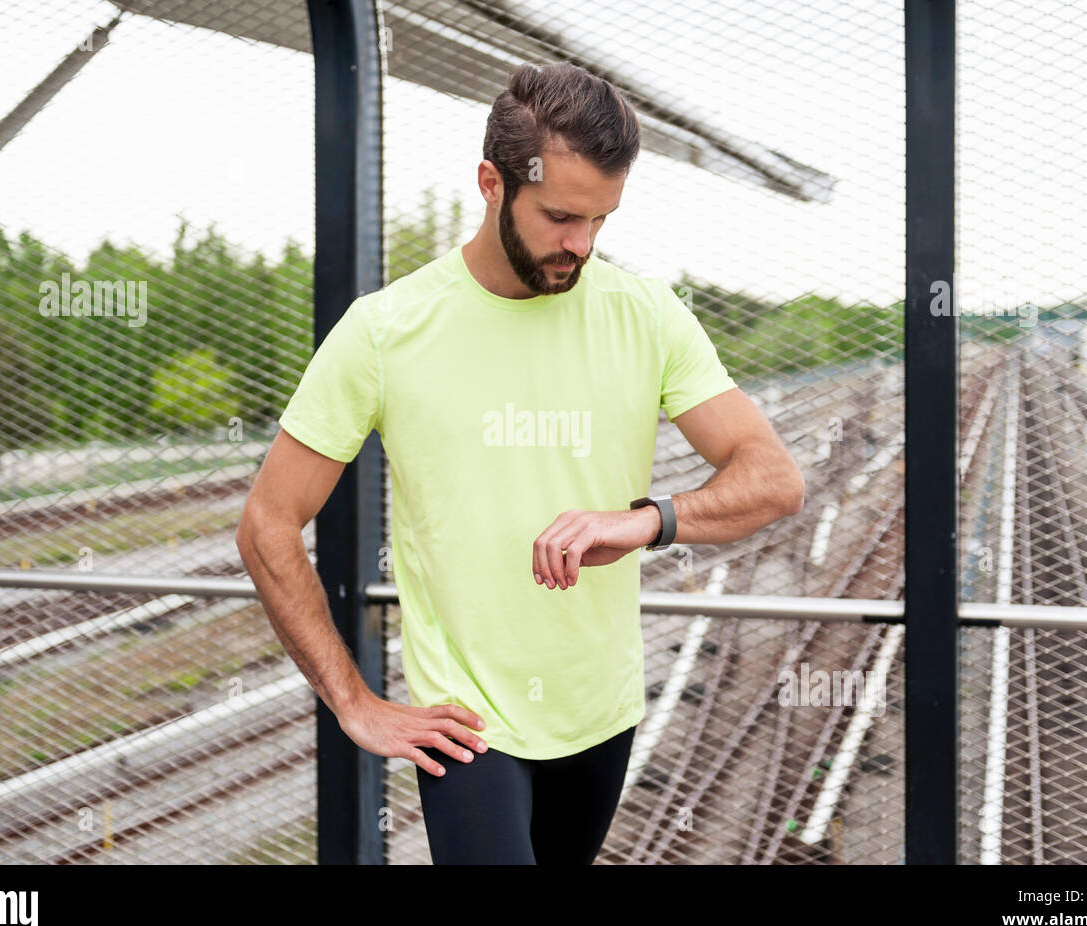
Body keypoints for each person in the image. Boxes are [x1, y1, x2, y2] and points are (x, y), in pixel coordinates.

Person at [237, 61, 804, 865]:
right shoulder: (384, 331)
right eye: (562, 216)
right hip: (469, 727)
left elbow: (774, 479)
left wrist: (646, 521)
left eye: (601, 221)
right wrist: (352, 703)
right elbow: (267, 523)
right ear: (491, 183)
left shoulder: (648, 315)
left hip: (602, 714)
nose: (581, 245)